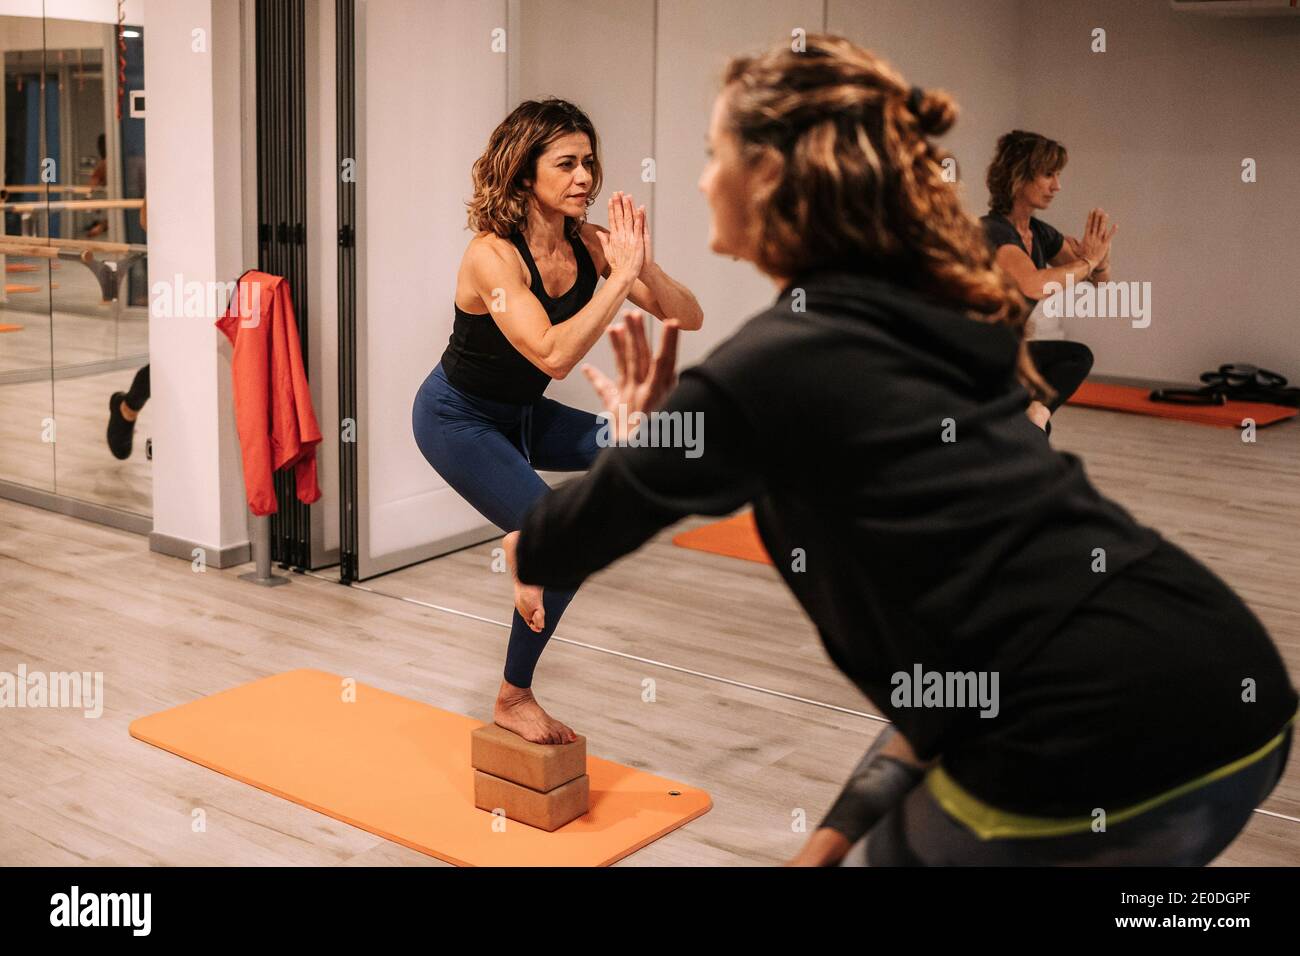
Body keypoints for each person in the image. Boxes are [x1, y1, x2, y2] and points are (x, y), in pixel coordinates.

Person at [506, 36, 1296, 864]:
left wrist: (631, 447)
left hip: (1097, 728)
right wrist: (827, 843)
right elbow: (956, 669)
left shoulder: (769, 366)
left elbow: (561, 539)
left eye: (714, 157)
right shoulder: (923, 321)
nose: (703, 180)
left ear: (769, 179)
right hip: (1236, 687)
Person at [411, 99, 703, 745]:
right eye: (566, 164)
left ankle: (534, 538)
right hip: (457, 420)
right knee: (565, 551)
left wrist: (638, 265)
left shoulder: (593, 245)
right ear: (523, 174)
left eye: (589, 163)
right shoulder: (492, 256)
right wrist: (616, 279)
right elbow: (553, 354)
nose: (585, 179)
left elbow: (687, 316)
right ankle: (514, 696)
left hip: (525, 415)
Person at [981, 131, 1112, 431]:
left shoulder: (1040, 233)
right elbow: (1034, 284)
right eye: (1048, 174)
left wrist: (1100, 257)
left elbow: (1098, 281)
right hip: (973, 357)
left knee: (1075, 359)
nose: (1057, 186)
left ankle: (1037, 415)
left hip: (1008, 354)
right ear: (1019, 176)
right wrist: (1088, 261)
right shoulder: (991, 231)